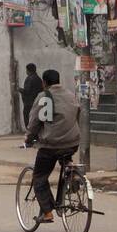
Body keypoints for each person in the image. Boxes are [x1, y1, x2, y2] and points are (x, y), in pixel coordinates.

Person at [24, 69, 82, 224]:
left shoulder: (44, 97)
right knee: (65, 157)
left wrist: (29, 139)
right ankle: (72, 172)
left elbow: (35, 121)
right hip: (72, 141)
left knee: (39, 177)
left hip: (51, 144)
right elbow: (77, 114)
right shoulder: (71, 95)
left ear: (44, 82)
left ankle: (48, 212)